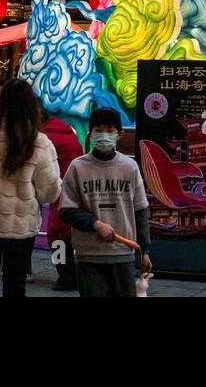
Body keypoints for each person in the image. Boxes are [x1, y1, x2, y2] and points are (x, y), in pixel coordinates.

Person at [0, 78, 60, 297]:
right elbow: (50, 191)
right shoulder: (38, 142)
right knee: (15, 285)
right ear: (30, 105)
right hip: (18, 225)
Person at [59, 107, 151, 298]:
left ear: (119, 134)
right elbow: (66, 210)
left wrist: (144, 250)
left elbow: (140, 211)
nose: (104, 135)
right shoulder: (77, 167)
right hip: (89, 254)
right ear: (90, 133)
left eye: (110, 131)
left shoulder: (130, 167)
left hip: (123, 253)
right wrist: (95, 224)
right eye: (99, 130)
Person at [42, 113, 84, 290]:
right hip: (76, 186)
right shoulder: (66, 131)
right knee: (66, 233)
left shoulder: (45, 137)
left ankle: (66, 276)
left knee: (56, 235)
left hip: (61, 188)